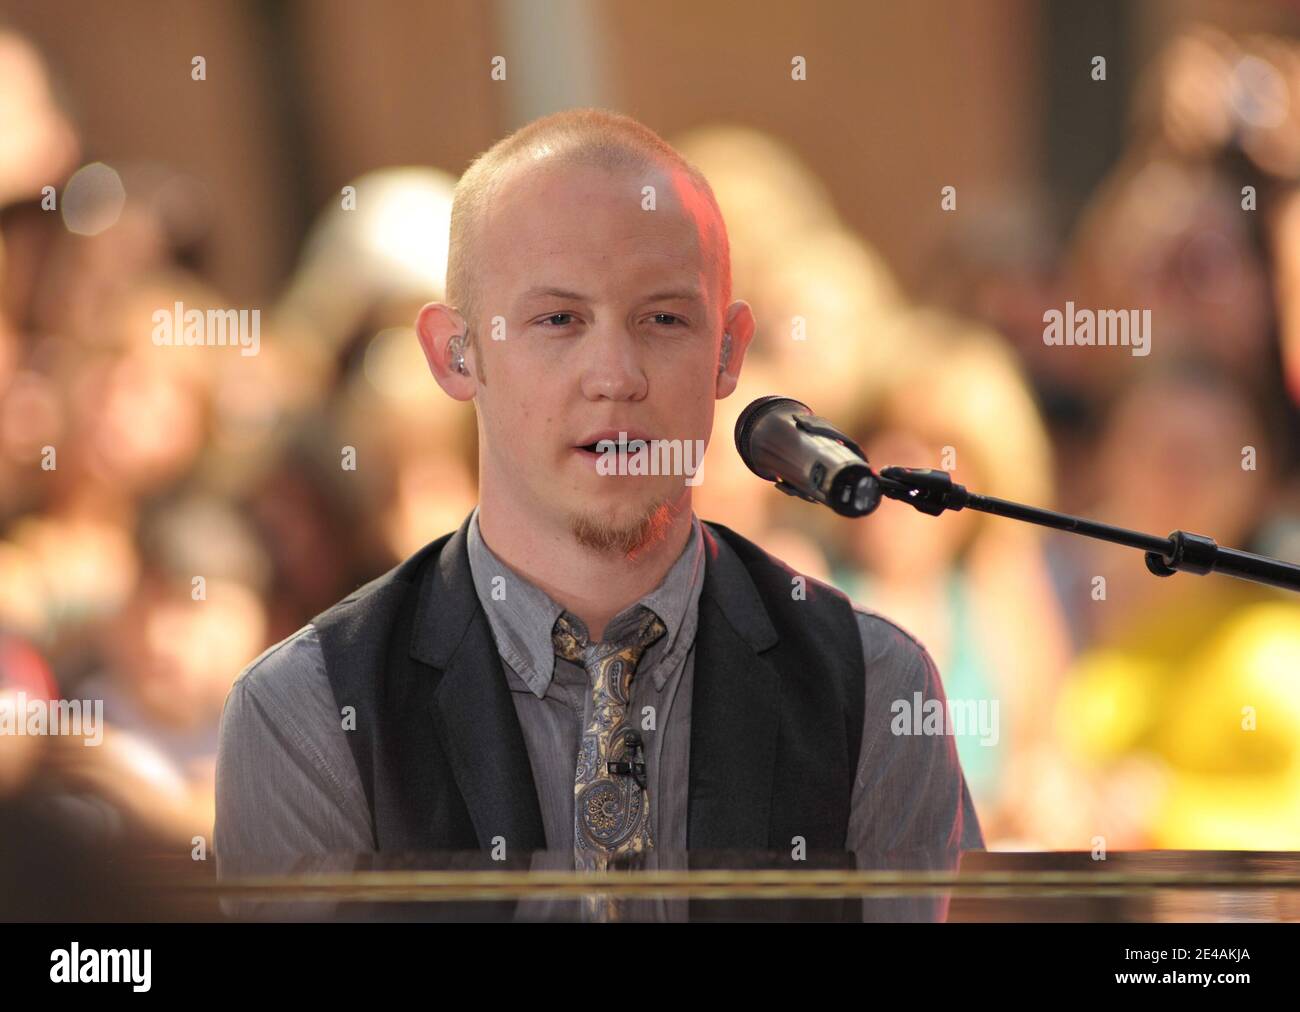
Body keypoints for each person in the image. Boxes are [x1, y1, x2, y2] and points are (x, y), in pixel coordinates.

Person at [214, 108, 983, 901]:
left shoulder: (874, 687)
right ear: (454, 352)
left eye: (663, 319)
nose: (616, 374)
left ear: (728, 350)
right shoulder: (309, 709)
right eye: (558, 320)